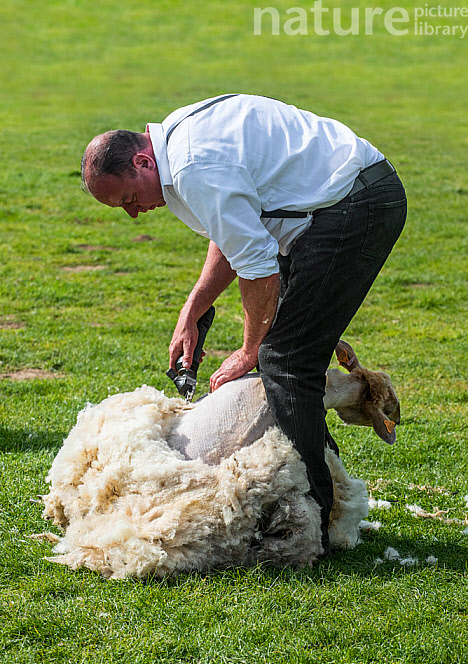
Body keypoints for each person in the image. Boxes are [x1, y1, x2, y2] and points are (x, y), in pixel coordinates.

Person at [81, 94, 407, 555]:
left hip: (354, 207)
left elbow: (258, 264)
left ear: (141, 161)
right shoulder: (178, 144)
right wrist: (193, 309)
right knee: (290, 359)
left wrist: (250, 350)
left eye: (130, 199)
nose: (134, 213)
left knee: (285, 361)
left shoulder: (193, 164)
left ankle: (314, 526)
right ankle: (322, 493)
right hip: (334, 207)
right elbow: (234, 231)